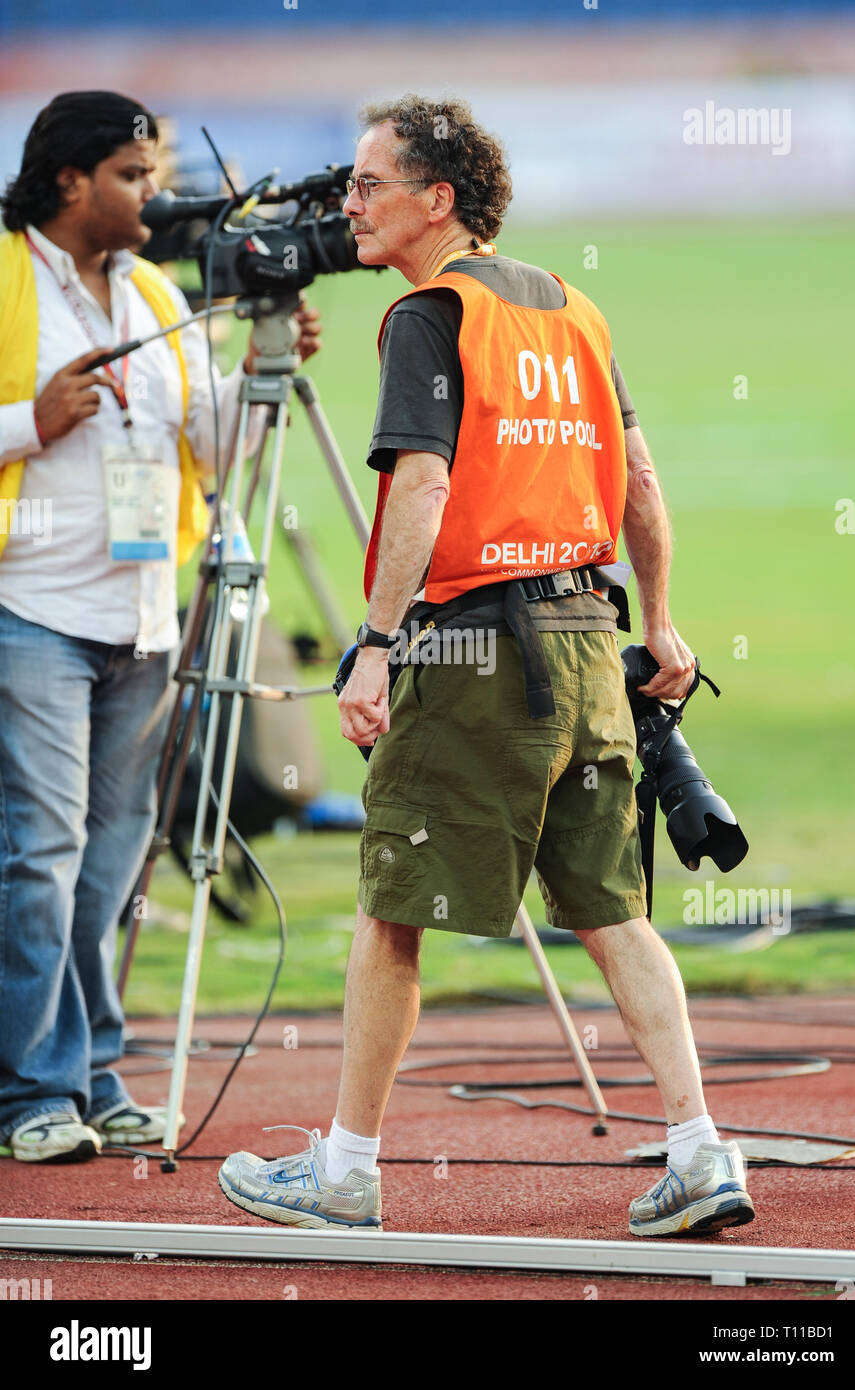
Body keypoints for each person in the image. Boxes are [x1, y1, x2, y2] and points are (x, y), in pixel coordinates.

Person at [219, 94, 754, 1239]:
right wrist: (661, 624)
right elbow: (638, 480)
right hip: (588, 643)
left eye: (368, 184)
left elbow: (422, 487)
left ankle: (346, 1171)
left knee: (389, 911)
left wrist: (374, 646)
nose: (348, 204)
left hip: (473, 653)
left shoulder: (430, 315)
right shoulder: (572, 307)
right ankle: (699, 1150)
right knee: (612, 911)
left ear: (438, 199)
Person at [0, 90, 320, 1164]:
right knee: (42, 856)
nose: (156, 193)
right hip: (30, 607)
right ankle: (30, 1093)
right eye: (135, 175)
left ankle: (91, 1074)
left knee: (110, 866)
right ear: (70, 181)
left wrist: (264, 369)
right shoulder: (4, 279)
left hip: (142, 614)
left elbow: (207, 444)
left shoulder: (151, 290)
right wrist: (29, 422)